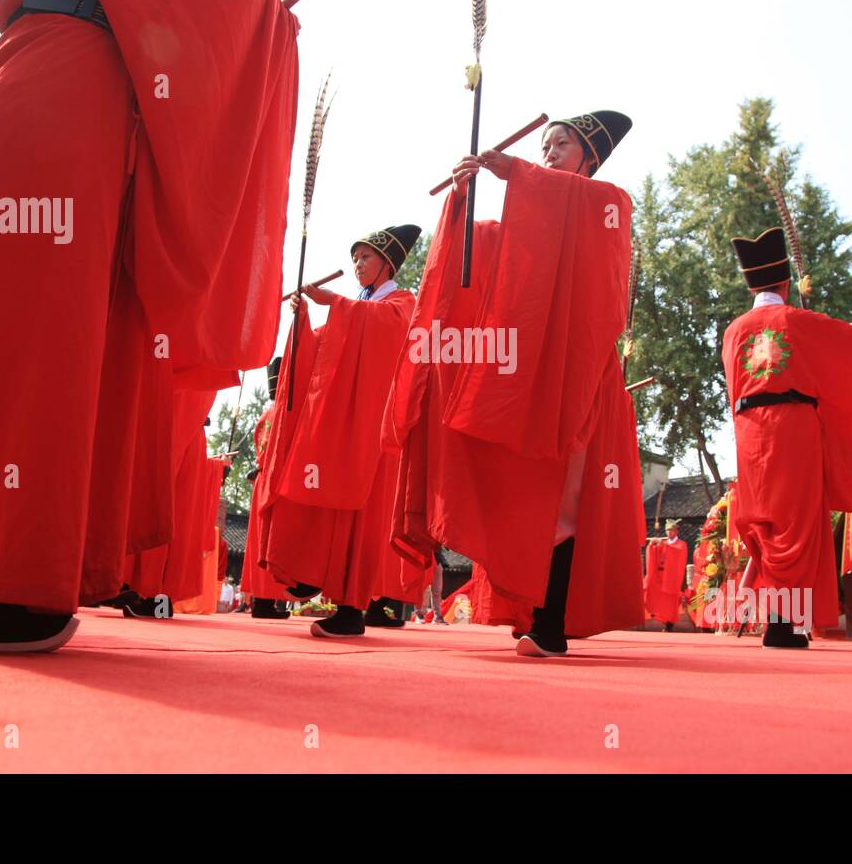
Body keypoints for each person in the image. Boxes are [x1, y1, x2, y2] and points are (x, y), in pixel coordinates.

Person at [0, 0, 300, 652]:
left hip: (28, 79)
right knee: (45, 331)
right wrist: (268, 10)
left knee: (3, 327)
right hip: (74, 91)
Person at [383, 112, 646, 657]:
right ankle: (530, 612)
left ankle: (550, 624)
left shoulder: (607, 205)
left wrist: (516, 173)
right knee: (524, 495)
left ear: (589, 155)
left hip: (577, 372)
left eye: (562, 143)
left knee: (562, 501)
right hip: (525, 378)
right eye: (545, 145)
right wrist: (464, 201)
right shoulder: (533, 217)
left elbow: (567, 203)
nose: (549, 151)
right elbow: (480, 255)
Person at [255, 225, 426, 637]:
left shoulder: (402, 302)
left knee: (361, 517)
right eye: (355, 257)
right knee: (319, 491)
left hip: (375, 427)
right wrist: (306, 315)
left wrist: (337, 303)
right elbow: (320, 349)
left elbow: (389, 331)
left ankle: (352, 609)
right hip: (340, 424)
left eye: (365, 257)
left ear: (388, 263)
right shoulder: (359, 305)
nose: (357, 264)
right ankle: (312, 574)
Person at [721, 227, 852, 647]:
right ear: (785, 283)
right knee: (797, 522)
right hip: (794, 426)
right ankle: (784, 623)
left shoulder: (734, 330)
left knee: (763, 521)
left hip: (749, 430)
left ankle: (778, 620)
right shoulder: (800, 321)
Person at [244, 357, 294, 619]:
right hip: (278, 480)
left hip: (262, 479)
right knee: (273, 541)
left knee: (258, 543)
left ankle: (261, 602)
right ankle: (268, 602)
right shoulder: (288, 411)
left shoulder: (266, 415)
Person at [644, 519, 686, 631]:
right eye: (667, 530)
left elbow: (676, 553)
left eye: (671, 530)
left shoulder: (681, 544)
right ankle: (655, 613)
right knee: (652, 590)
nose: (669, 532)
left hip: (671, 577)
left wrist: (662, 544)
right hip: (660, 575)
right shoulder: (665, 543)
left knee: (670, 601)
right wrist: (652, 546)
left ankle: (669, 623)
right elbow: (656, 553)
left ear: (677, 531)